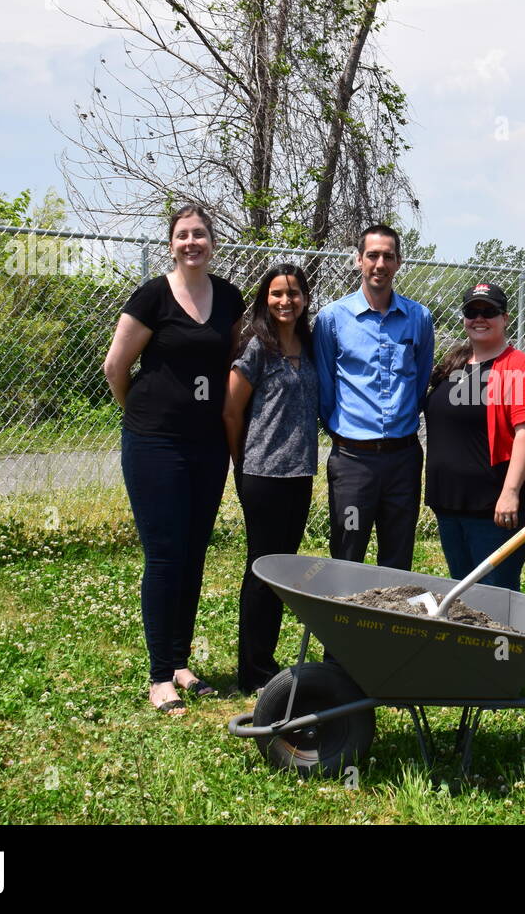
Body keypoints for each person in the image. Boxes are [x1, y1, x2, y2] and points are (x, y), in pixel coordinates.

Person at [103, 204, 246, 715]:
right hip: (154, 444)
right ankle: (159, 674)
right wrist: (140, 413)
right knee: (164, 555)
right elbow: (115, 366)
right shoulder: (152, 296)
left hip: (206, 444)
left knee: (193, 553)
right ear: (171, 244)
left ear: (212, 242)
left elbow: (228, 361)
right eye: (183, 235)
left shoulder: (229, 296)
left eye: (200, 234)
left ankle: (182, 662)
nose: (192, 242)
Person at [312, 225, 434, 570]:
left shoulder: (419, 318)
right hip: (353, 463)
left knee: (397, 556)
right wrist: (345, 431)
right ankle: (340, 622)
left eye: (388, 256)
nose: (380, 263)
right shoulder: (332, 319)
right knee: (348, 552)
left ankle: (388, 625)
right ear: (358, 260)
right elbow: (325, 388)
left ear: (398, 263)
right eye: (372, 255)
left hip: (403, 461)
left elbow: (420, 379)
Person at [223, 263, 319, 696]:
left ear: (304, 299)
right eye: (277, 294)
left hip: (299, 474)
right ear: (265, 299)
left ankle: (266, 658)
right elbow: (230, 409)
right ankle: (254, 670)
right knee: (261, 568)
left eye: (294, 293)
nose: (286, 301)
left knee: (282, 568)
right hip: (261, 473)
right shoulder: (256, 348)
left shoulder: (311, 344)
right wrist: (242, 461)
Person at [424, 282, 525, 592]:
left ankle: (503, 642)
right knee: (461, 591)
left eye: (488, 311)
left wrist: (511, 492)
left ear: (505, 318)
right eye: (471, 311)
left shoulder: (520, 368)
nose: (479, 318)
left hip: (493, 507)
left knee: (494, 593)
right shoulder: (453, 364)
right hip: (451, 502)